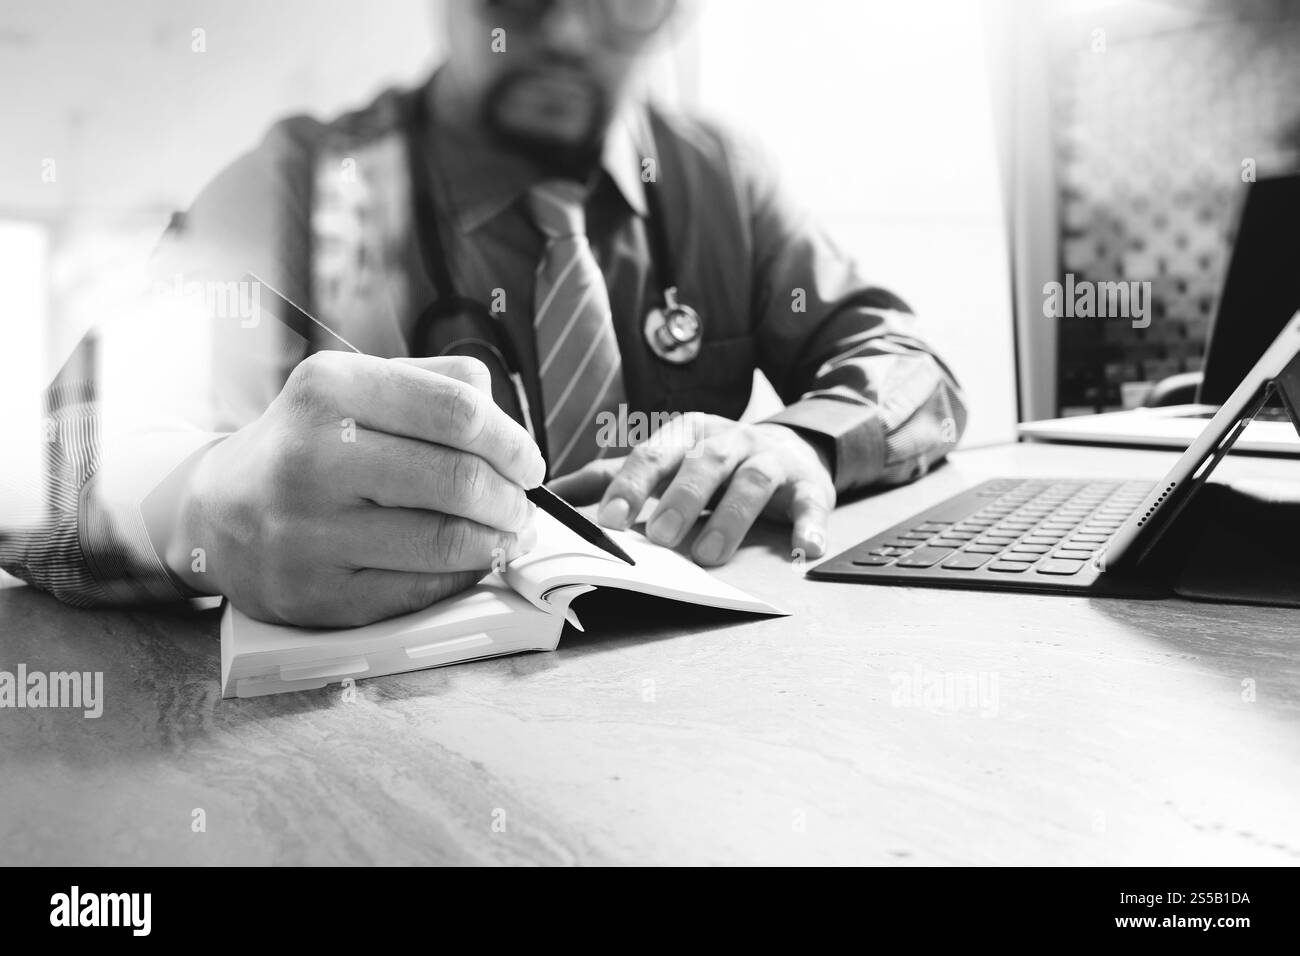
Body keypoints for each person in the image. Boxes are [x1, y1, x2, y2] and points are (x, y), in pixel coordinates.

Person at [0, 0, 967, 626]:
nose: (571, 31)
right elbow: (34, 468)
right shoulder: (296, 187)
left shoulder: (723, 180)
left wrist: (809, 443)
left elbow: (905, 360)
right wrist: (199, 503)